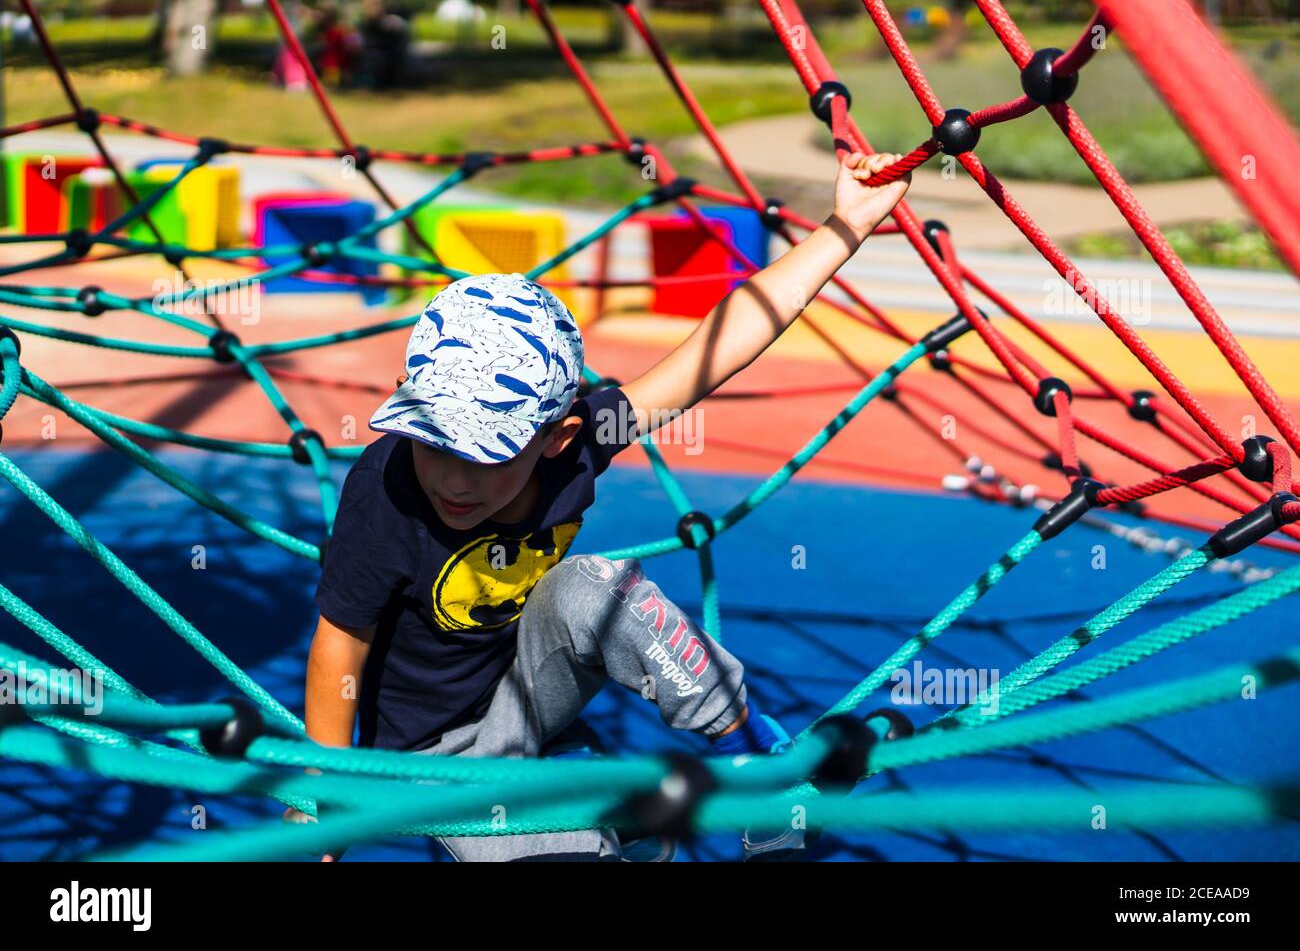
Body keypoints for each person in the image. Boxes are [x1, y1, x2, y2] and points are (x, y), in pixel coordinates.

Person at [293, 151, 912, 861]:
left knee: (596, 586)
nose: (454, 480)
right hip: (430, 762)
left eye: (487, 455)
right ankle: (586, 806)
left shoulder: (582, 443)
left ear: (556, 438)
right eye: (436, 444)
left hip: (526, 695)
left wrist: (845, 226)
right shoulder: (388, 487)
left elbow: (713, 351)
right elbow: (340, 641)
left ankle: (754, 769)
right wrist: (322, 787)